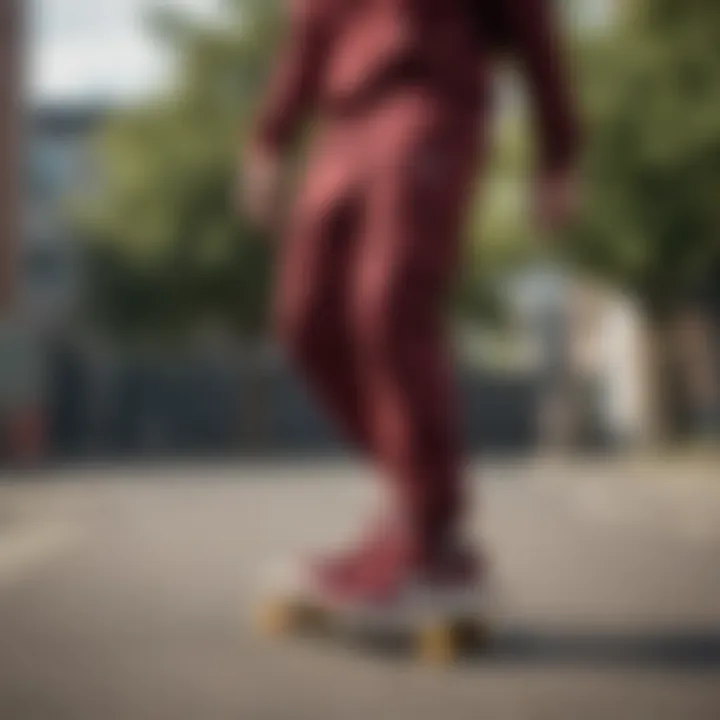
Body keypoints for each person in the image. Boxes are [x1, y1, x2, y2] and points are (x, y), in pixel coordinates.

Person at [241, 0, 581, 606]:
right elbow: (310, 31)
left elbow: (532, 22)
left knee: (389, 305)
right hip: (341, 122)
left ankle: (433, 539)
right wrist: (271, 138)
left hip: (429, 100)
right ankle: (412, 506)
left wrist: (558, 150)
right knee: (306, 320)